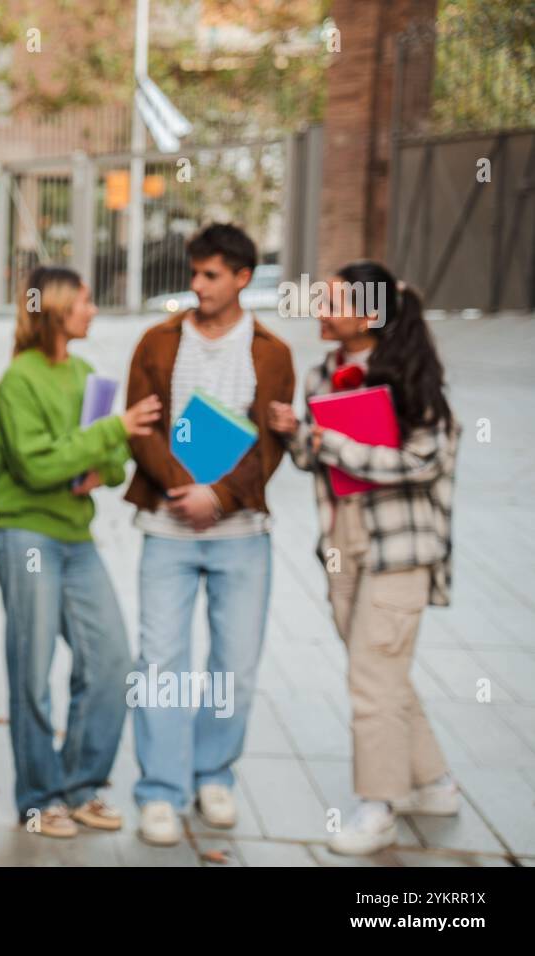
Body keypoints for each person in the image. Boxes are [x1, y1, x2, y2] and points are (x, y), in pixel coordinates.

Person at [268, 260, 461, 856]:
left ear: (370, 312)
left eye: (332, 302)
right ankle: (434, 783)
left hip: (399, 548)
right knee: (380, 668)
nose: (320, 311)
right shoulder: (321, 373)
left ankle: (378, 806)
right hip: (341, 543)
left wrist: (339, 445)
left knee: (370, 676)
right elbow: (315, 460)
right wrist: (296, 432)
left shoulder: (411, 376)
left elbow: (424, 461)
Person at [123, 223, 295, 846]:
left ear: (243, 278)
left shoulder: (272, 350)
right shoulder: (156, 340)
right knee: (160, 663)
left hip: (243, 535)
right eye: (193, 273)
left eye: (211, 275)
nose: (197, 285)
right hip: (167, 530)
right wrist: (183, 491)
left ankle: (213, 774)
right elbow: (139, 424)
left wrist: (218, 498)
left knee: (235, 666)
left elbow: (272, 440)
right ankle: (160, 791)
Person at [0, 266, 161, 839]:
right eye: (86, 300)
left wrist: (94, 451)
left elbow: (113, 466)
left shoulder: (86, 374)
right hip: (27, 535)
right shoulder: (20, 381)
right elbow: (36, 467)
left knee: (111, 661)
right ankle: (39, 798)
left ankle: (83, 786)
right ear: (59, 307)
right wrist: (106, 437)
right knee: (32, 671)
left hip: (77, 538)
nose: (93, 310)